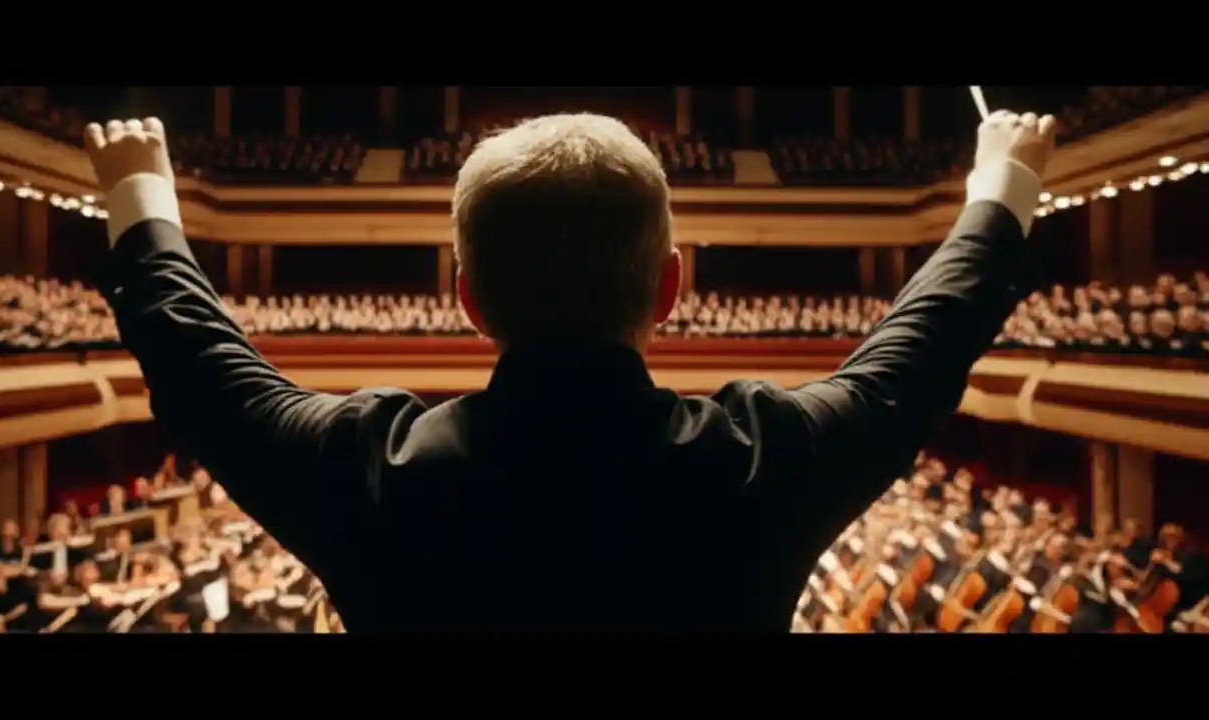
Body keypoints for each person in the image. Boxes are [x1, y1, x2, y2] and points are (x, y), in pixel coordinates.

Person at [84, 109, 1053, 631]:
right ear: (671, 285)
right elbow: (922, 346)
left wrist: (140, 192)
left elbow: (201, 369)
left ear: (465, 298)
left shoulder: (370, 473)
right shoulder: (765, 462)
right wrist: (1001, 184)